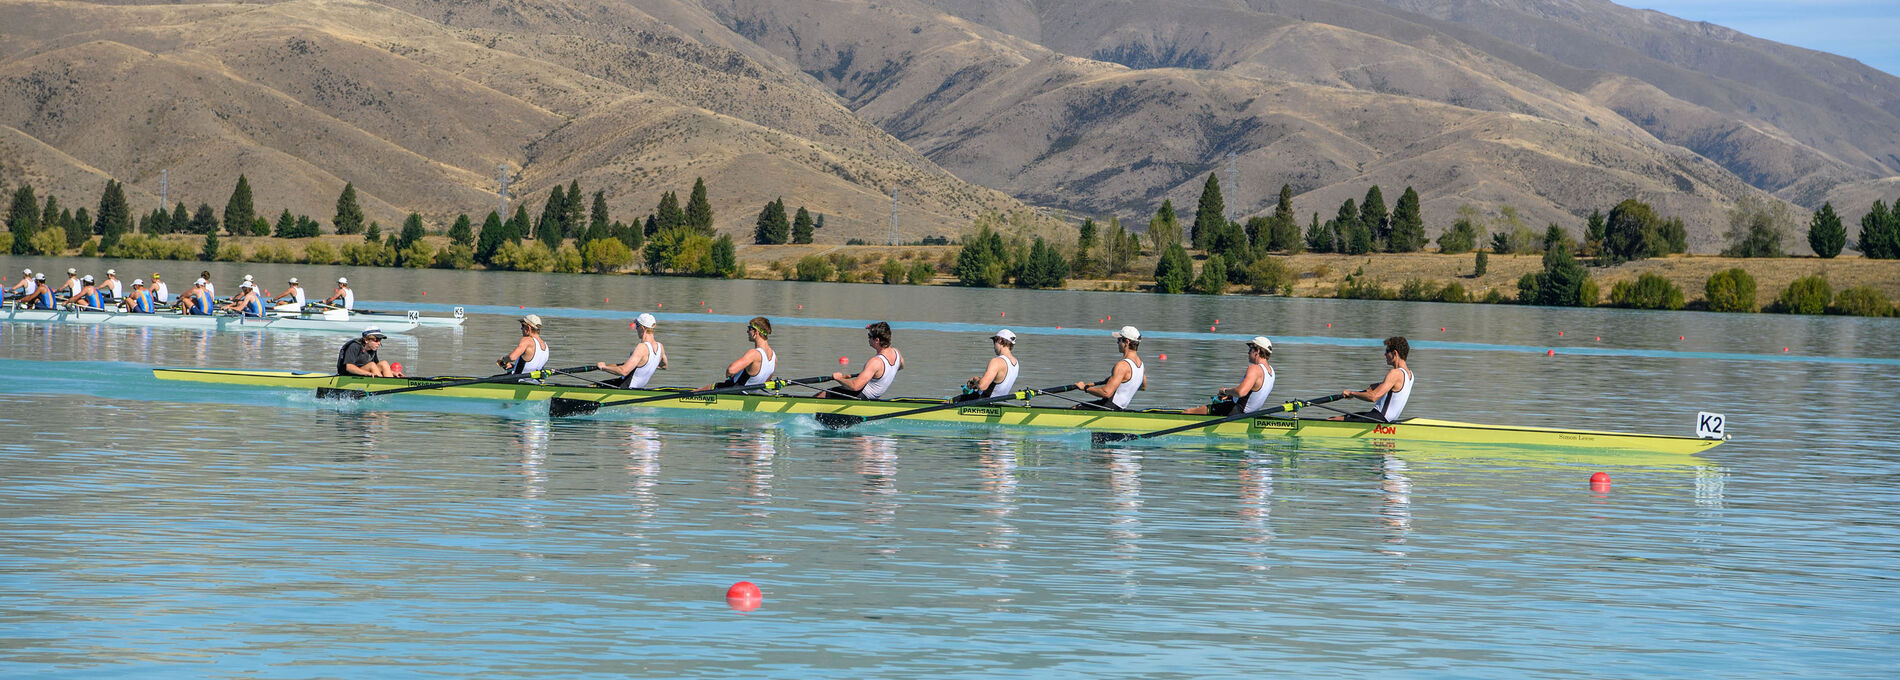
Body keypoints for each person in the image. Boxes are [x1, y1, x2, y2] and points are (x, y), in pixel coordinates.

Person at [1186, 336, 1276, 416]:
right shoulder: (1271, 371)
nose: (1248, 352)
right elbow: (1252, 395)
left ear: (1258, 351)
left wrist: (1225, 391)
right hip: (1251, 413)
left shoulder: (1254, 369)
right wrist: (1230, 396)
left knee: (1188, 412)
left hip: (1236, 411)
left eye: (1250, 348)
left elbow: (1241, 392)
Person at [1337, 336, 1415, 422]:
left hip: (1378, 418)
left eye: (1387, 351)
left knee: (1333, 420)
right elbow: (1394, 390)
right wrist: (1378, 385)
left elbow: (1373, 397)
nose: (1384, 355)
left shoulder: (1395, 373)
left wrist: (1352, 393)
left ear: (1395, 353)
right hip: (1387, 419)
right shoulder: (1410, 375)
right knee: (1338, 418)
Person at [822, 321, 904, 399]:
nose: (868, 339)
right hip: (873, 396)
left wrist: (838, 378)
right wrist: (874, 375)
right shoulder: (897, 353)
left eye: (869, 336)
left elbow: (855, 386)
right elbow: (900, 366)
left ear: (877, 340)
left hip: (860, 396)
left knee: (820, 395)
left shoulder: (875, 362)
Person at [1074, 326, 1147, 410]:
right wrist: (1118, 380)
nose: (1117, 342)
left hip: (1108, 407)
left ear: (1126, 341)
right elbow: (1142, 386)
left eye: (1119, 340)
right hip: (1120, 408)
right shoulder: (1141, 365)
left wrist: (1085, 388)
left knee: (1075, 408)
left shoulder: (1122, 365)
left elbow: (1106, 392)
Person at [598, 313, 667, 388]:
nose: (636, 328)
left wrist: (603, 368)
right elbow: (664, 366)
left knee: (592, 386)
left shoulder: (642, 348)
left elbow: (624, 371)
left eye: (637, 325)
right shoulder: (660, 347)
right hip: (637, 388)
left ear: (643, 328)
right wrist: (649, 365)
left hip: (625, 388)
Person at [709, 317, 777, 390]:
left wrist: (728, 374)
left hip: (734, 391)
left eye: (749, 328)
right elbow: (766, 381)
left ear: (756, 332)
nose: (747, 331)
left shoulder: (754, 353)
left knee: (711, 387)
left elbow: (731, 370)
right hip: (752, 393)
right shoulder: (774, 357)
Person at [954, 329, 1020, 402]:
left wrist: (974, 379)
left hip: (983, 402)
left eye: (994, 341)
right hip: (1000, 402)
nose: (994, 345)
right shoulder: (1015, 363)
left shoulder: (996, 361)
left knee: (949, 402)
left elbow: (982, 386)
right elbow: (997, 385)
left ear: (1000, 340)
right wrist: (976, 384)